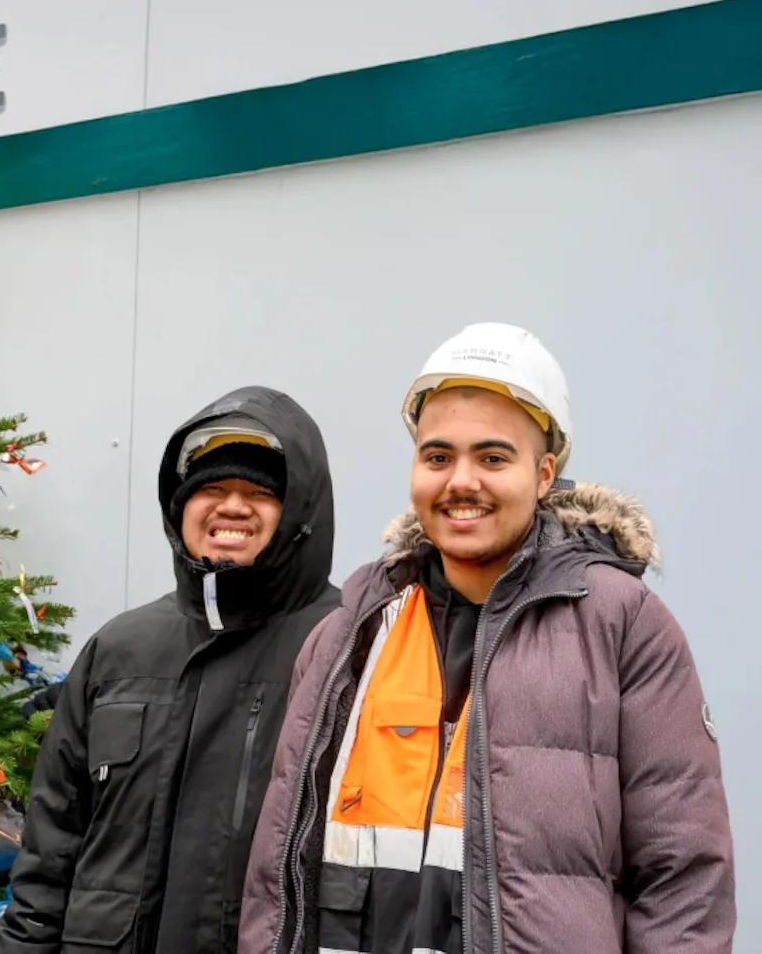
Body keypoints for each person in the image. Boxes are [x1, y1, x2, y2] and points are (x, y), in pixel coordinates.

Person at [238, 323, 735, 954]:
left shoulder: (624, 624)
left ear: (545, 472)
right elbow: (274, 873)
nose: (460, 481)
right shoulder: (350, 630)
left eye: (493, 458)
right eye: (437, 456)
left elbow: (684, 881)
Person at [0, 386, 339, 954]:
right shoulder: (120, 648)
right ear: (180, 506)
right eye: (210, 487)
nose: (232, 506)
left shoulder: (346, 645)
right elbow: (50, 849)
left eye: (259, 491)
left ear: (300, 512)